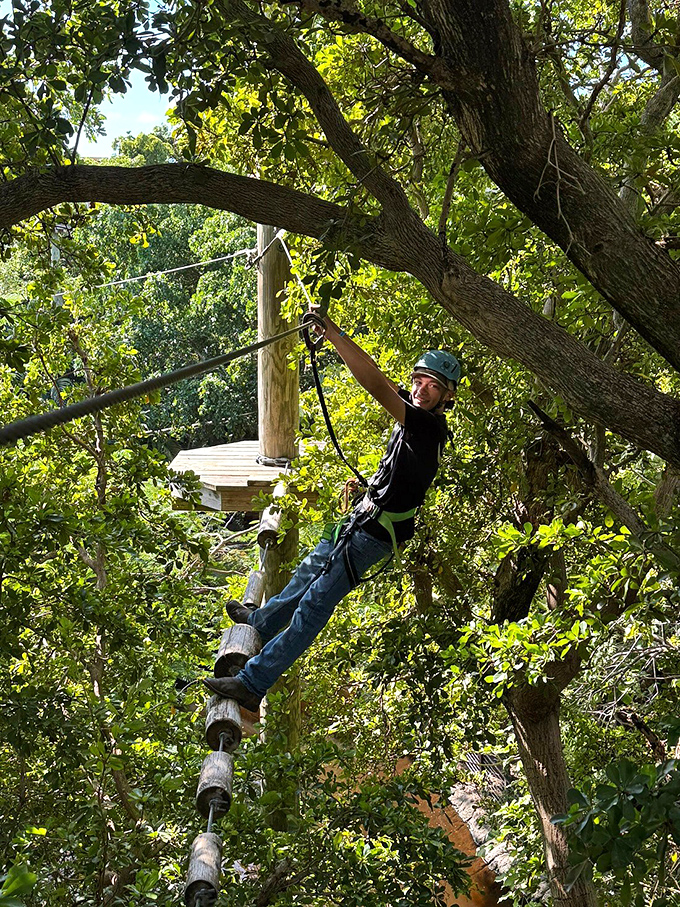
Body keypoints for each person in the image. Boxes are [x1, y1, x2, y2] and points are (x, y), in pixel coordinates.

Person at [203, 317, 461, 710]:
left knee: (314, 606)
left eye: (433, 385)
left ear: (446, 397)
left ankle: (253, 683)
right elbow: (380, 377)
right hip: (364, 515)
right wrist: (331, 332)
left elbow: (374, 385)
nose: (422, 389)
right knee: (307, 571)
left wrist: (333, 335)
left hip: (372, 535)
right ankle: (261, 623)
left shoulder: (427, 425)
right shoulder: (414, 410)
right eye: (419, 380)